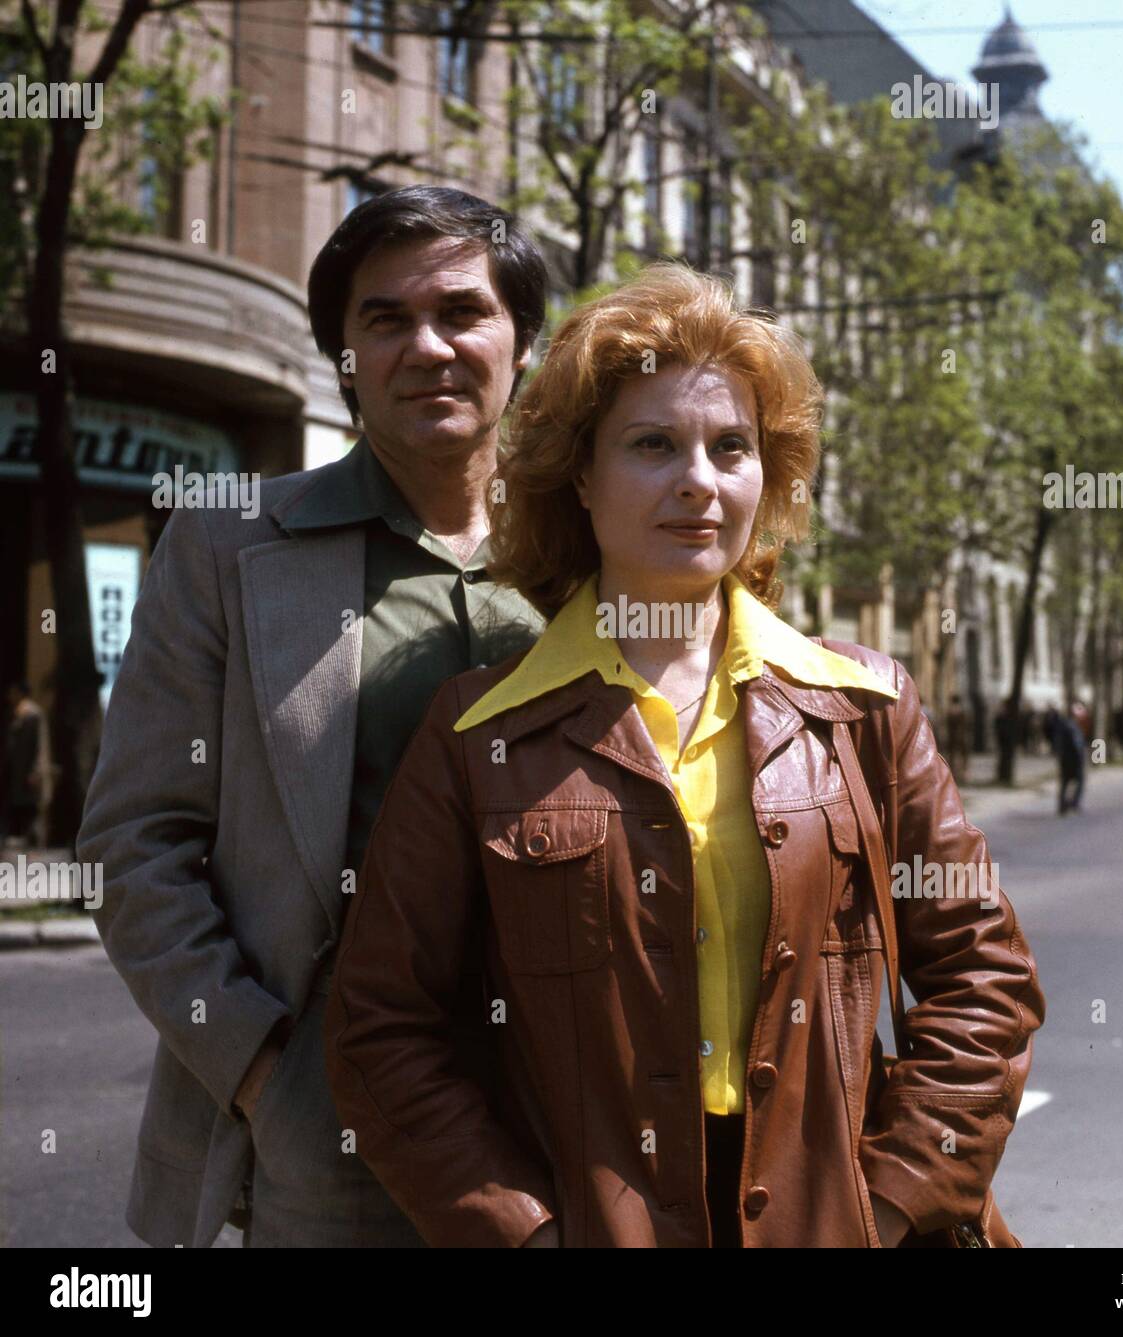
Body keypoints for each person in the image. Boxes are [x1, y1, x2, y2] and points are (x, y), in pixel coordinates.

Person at [325, 263, 1046, 1248]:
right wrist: (525, 1231)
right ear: (581, 475)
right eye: (653, 444)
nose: (698, 480)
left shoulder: (865, 708)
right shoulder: (478, 734)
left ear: (766, 475)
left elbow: (983, 973)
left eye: (731, 446)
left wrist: (886, 1202)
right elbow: (379, 1026)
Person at [76, 186, 549, 1247]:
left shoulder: (587, 561)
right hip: (325, 1137)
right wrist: (261, 1071)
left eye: (462, 312)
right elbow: (132, 844)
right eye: (384, 320)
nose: (427, 346)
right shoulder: (226, 549)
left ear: (524, 340)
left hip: (568, 1118)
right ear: (342, 359)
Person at [2, 682, 51, 848]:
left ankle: (34, 843)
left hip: (27, 771)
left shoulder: (31, 714)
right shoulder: (20, 713)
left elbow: (36, 745)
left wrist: (34, 770)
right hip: (19, 771)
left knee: (30, 808)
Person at [943, 693, 970, 784]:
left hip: (952, 736)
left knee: (952, 755)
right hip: (961, 736)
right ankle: (962, 774)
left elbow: (946, 724)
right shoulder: (962, 711)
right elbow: (966, 724)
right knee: (962, 756)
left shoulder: (950, 711)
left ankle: (953, 773)